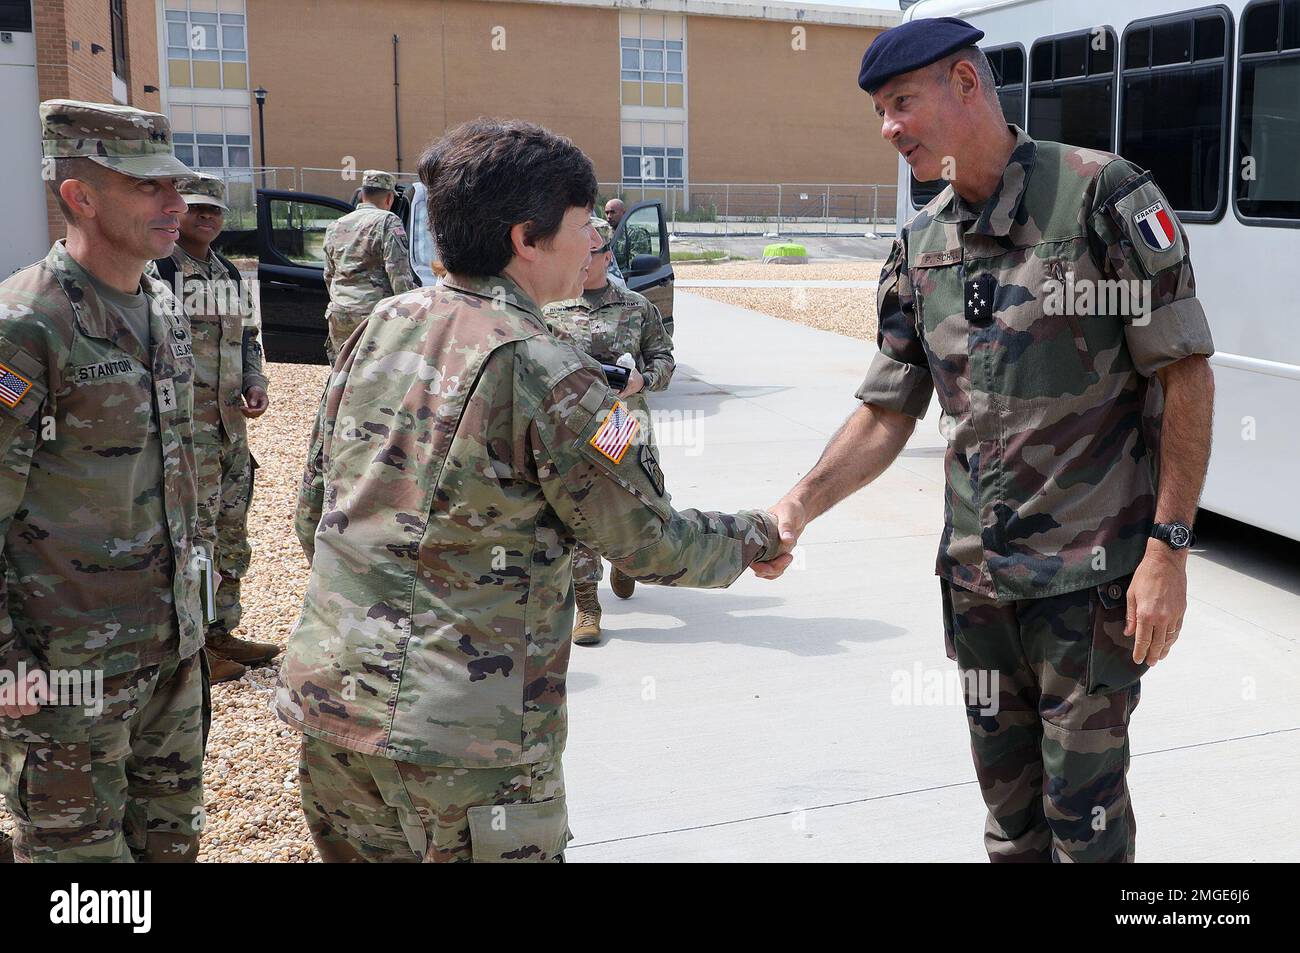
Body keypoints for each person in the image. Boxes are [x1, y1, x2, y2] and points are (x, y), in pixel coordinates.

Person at [755, 17, 1216, 863]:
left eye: (901, 103)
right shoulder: (922, 243)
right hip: (975, 591)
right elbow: (888, 408)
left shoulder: (1104, 200)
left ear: (966, 84)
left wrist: (1169, 548)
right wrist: (798, 504)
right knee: (1011, 830)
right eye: (878, 113)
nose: (888, 128)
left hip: (1089, 591)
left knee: (1085, 830)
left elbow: (1184, 374)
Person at [276, 118, 780, 863]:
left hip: (333, 718)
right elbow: (649, 543)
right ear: (527, 238)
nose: (592, 245)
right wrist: (760, 534)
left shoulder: (380, 325)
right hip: (467, 750)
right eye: (583, 226)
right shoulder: (551, 370)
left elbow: (312, 513)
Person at [0, 100, 207, 862]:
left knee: (170, 846)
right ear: (79, 196)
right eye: (149, 187)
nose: (175, 204)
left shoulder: (160, 302)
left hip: (168, 651)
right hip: (64, 671)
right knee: (80, 875)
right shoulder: (28, 324)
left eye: (176, 186)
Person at [155, 172, 280, 684]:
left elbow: (250, 340)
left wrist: (256, 382)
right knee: (196, 543)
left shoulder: (230, 275)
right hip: (188, 438)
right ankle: (199, 645)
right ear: (179, 212)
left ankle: (223, 628)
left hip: (230, 433)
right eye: (197, 210)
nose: (206, 218)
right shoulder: (158, 274)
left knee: (231, 535)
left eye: (215, 211)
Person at [542, 218, 675, 644]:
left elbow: (664, 358)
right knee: (581, 512)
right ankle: (587, 605)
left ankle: (625, 559)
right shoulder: (550, 309)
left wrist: (644, 381)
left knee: (632, 505)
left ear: (606, 257)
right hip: (573, 426)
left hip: (623, 422)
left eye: (591, 252)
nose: (583, 258)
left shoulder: (637, 306)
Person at [321, 169, 418, 361]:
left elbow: (329, 275)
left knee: (341, 375)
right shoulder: (388, 221)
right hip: (373, 315)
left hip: (339, 313)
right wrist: (412, 313)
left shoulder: (336, 225)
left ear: (362, 194)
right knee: (373, 375)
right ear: (389, 198)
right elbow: (398, 274)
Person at [603, 198, 653, 273]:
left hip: (626, 280)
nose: (609, 216)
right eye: (607, 213)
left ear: (624, 213)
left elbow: (636, 266)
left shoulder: (636, 233)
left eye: (613, 212)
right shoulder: (604, 234)